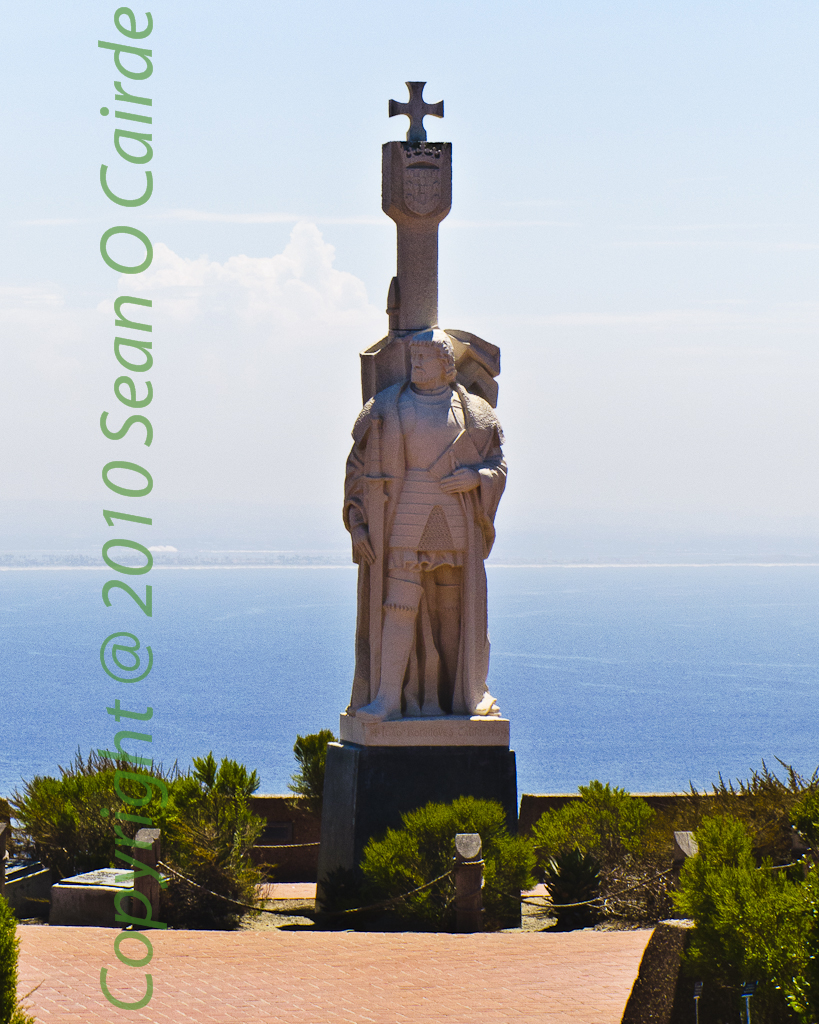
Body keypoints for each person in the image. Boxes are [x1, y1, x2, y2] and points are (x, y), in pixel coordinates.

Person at [343, 328, 506, 722]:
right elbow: (358, 470)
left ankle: (460, 693)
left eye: (424, 359)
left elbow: (497, 466)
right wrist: (358, 522)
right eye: (413, 358)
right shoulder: (385, 407)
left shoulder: (475, 414)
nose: (416, 365)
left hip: (455, 515)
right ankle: (386, 698)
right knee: (399, 603)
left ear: (446, 366)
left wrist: (477, 478)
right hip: (405, 512)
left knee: (453, 608)